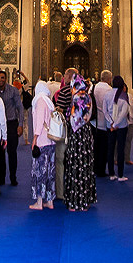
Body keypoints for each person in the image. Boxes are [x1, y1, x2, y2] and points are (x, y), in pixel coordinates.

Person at [63, 73, 97, 211]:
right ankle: (86, 200)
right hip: (87, 135)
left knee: (76, 166)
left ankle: (76, 201)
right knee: (86, 165)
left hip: (77, 137)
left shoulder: (76, 98)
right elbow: (88, 116)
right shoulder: (88, 97)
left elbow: (74, 120)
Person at [28, 81, 56, 210]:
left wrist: (35, 138)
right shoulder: (49, 101)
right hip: (51, 141)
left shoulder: (39, 101)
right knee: (49, 171)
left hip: (42, 142)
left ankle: (39, 202)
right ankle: (49, 201)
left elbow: (39, 122)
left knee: (40, 172)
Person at [0, 69, 23, 186]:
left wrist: (20, 125)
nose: (0, 80)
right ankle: (1, 178)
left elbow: (20, 108)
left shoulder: (13, 91)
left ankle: (12, 177)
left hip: (11, 124)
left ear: (6, 79)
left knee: (12, 152)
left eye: (2, 78)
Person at [53, 67, 75, 202]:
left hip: (65, 129)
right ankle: (74, 188)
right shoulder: (81, 91)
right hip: (77, 130)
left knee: (60, 159)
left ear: (68, 77)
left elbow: (60, 112)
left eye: (66, 75)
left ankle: (61, 192)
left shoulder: (65, 91)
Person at [106, 75, 131, 181]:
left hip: (110, 127)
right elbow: (124, 113)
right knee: (120, 149)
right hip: (121, 127)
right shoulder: (124, 96)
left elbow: (105, 110)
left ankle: (111, 174)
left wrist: (111, 123)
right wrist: (116, 124)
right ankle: (120, 175)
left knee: (110, 149)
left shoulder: (107, 95)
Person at [92, 69, 114, 177]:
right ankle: (101, 170)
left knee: (96, 146)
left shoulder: (94, 87)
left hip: (95, 122)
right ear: (109, 79)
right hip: (105, 122)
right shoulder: (109, 90)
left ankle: (95, 167)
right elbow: (111, 107)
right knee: (104, 147)